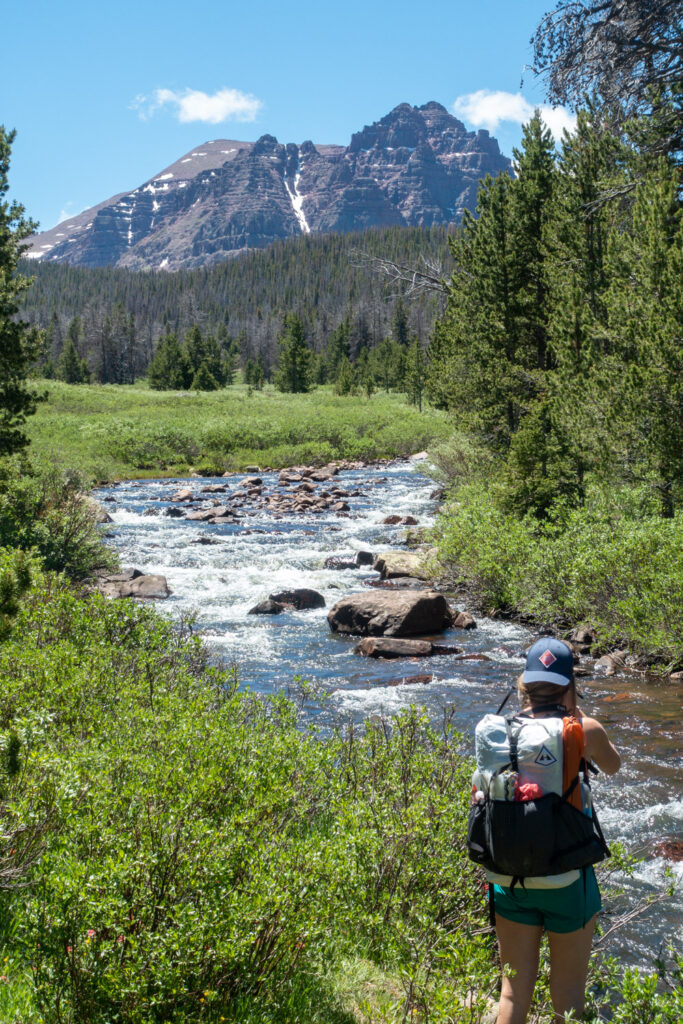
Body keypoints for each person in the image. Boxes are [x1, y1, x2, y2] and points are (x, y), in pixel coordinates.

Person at [489, 637, 621, 1024]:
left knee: (512, 993)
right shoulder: (583, 729)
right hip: (568, 881)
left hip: (507, 877)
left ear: (523, 686)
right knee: (567, 998)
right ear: (569, 686)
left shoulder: (499, 731)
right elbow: (613, 766)